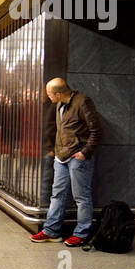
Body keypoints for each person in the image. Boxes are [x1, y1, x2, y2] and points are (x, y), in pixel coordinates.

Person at [30, 78, 103, 246]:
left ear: (58, 93)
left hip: (78, 157)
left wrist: (85, 152)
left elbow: (96, 130)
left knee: (81, 197)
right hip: (61, 157)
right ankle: (51, 230)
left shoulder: (82, 102)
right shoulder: (59, 105)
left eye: (49, 94)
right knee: (57, 194)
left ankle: (82, 233)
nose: (48, 97)